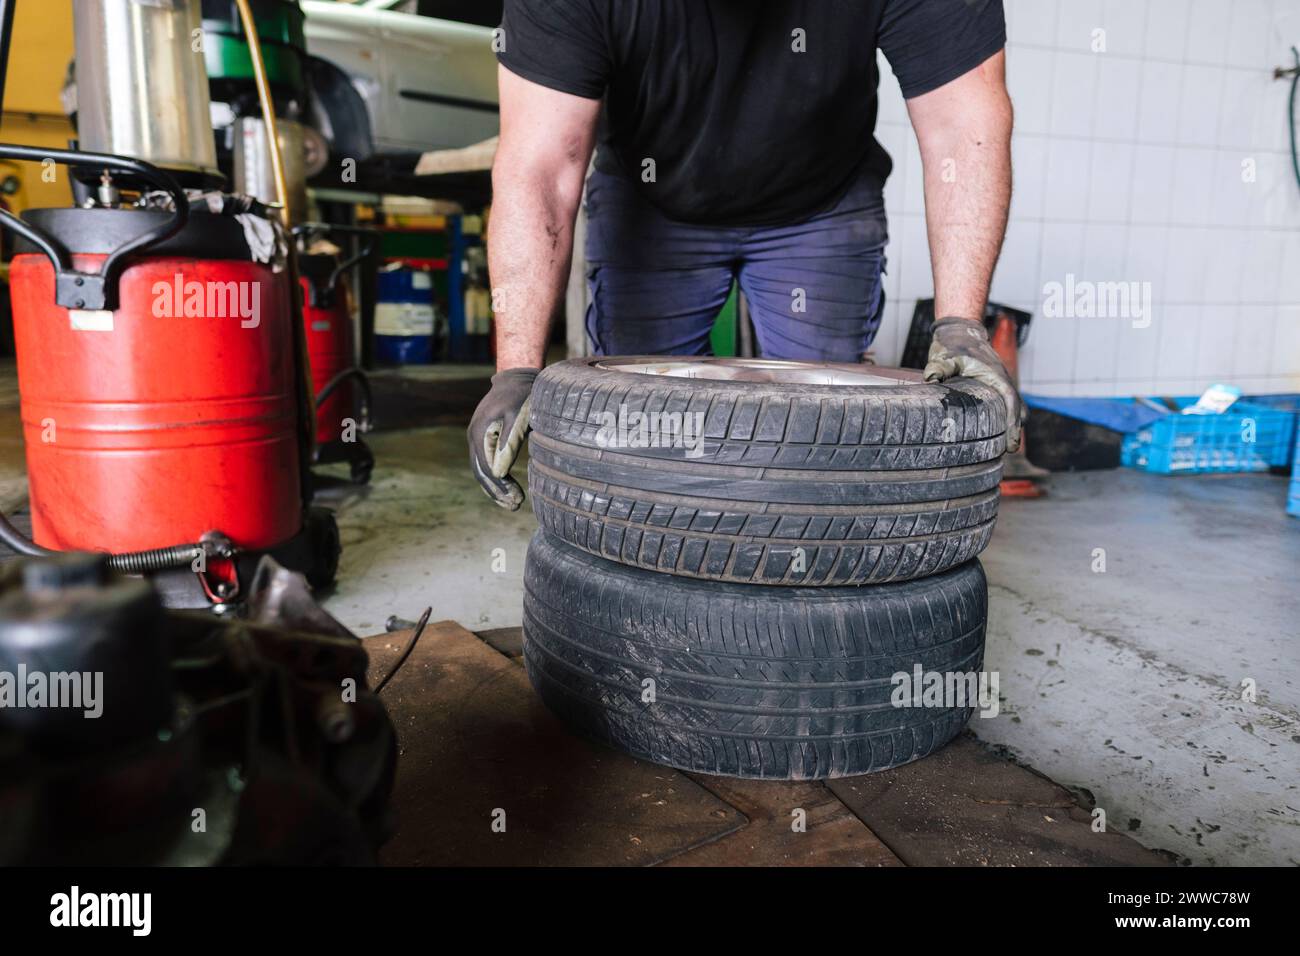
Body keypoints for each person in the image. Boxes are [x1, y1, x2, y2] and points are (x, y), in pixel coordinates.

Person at [470, 0, 1025, 510]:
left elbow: (963, 127)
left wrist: (960, 324)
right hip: (652, 198)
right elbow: (538, 166)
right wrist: (516, 369)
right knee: (642, 442)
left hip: (820, 198)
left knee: (825, 445)